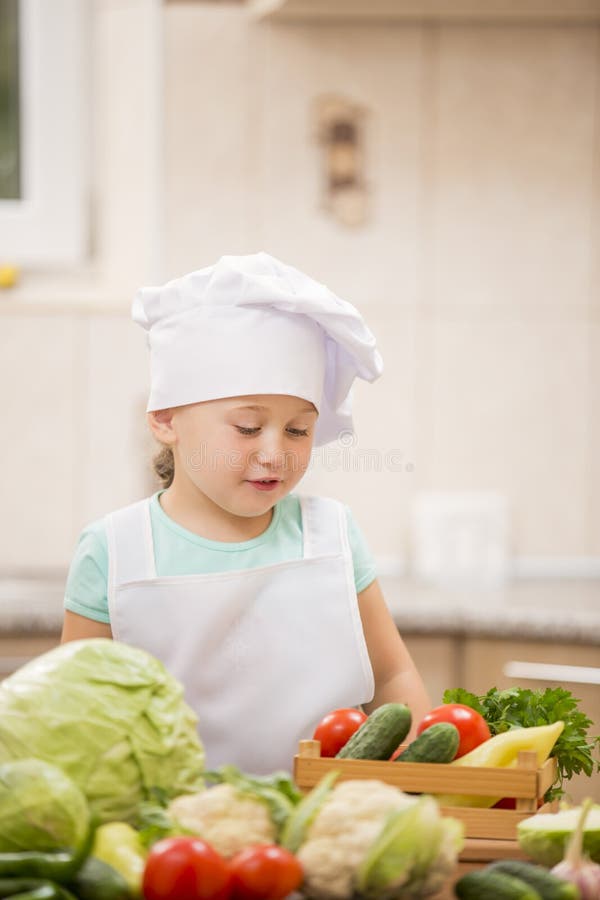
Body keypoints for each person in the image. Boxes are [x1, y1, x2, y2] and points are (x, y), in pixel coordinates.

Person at [61, 252, 430, 773]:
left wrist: (422, 773)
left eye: (299, 430)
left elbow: (392, 679)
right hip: (174, 837)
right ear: (166, 419)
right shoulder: (114, 550)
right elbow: (76, 716)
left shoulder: (332, 534)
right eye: (248, 428)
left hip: (323, 825)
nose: (275, 453)